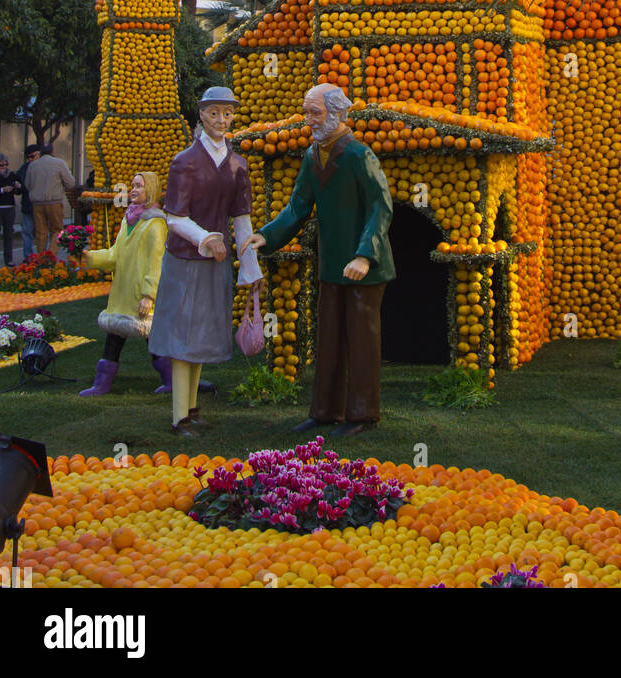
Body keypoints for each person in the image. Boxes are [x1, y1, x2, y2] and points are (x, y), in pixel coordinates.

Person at [242, 83, 396, 439]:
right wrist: (267, 235)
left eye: (315, 112)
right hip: (332, 264)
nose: (308, 119)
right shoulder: (313, 156)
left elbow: (380, 206)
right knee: (328, 337)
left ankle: (362, 414)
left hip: (364, 268)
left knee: (360, 339)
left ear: (337, 113)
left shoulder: (360, 155)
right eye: (307, 111)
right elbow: (298, 206)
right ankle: (325, 411)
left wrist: (364, 255)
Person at [148, 86, 262, 436]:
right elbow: (174, 217)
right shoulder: (185, 162)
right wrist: (205, 238)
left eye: (227, 113)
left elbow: (242, 220)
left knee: (201, 335)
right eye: (215, 113)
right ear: (201, 114)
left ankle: (192, 409)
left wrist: (251, 267)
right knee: (184, 336)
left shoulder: (237, 165)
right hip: (186, 260)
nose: (222, 120)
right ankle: (179, 416)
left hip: (216, 262)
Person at [79, 171, 170, 396]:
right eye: (132, 185)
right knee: (114, 337)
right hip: (122, 292)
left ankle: (171, 381)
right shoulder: (129, 218)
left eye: (139, 186)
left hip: (140, 294)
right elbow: (115, 255)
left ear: (150, 190)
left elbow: (156, 262)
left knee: (154, 339)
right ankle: (102, 384)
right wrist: (90, 257)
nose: (133, 190)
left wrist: (149, 295)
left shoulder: (156, 224)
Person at [24, 144, 77, 254]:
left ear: (40, 152)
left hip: (37, 204)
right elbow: (71, 183)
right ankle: (50, 256)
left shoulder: (32, 165)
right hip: (54, 202)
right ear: (52, 151)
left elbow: (27, 185)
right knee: (57, 230)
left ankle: (40, 257)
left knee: (40, 232)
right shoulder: (59, 163)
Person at [0, 155, 22, 269]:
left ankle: (9, 259)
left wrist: (17, 187)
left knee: (8, 234)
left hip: (9, 207)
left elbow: (20, 190)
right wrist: (2, 190)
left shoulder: (12, 175)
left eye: (6, 165)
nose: (4, 167)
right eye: (1, 165)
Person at [16, 144, 41, 261]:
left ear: (38, 154)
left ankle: (43, 257)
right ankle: (28, 257)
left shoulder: (43, 167)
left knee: (42, 232)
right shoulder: (24, 168)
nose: (30, 159)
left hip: (41, 205)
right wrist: (17, 187)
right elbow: (19, 187)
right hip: (28, 205)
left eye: (32, 156)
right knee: (27, 232)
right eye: (28, 157)